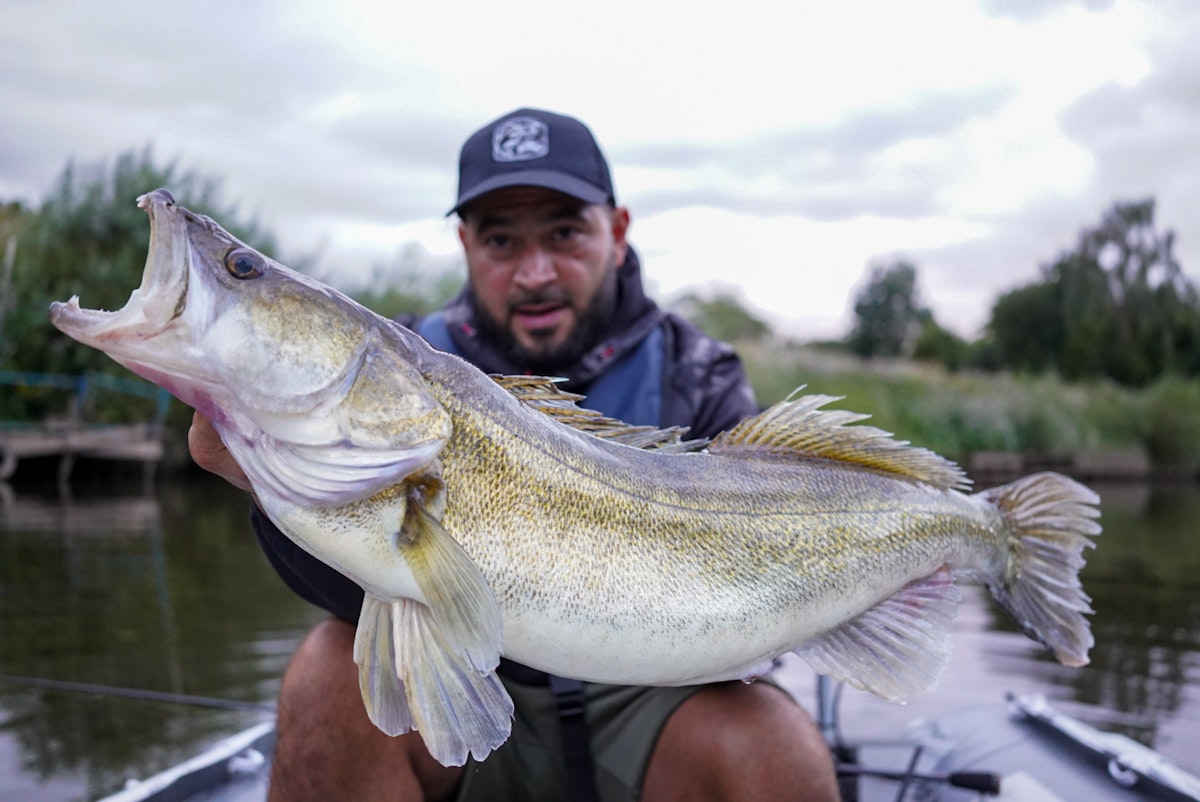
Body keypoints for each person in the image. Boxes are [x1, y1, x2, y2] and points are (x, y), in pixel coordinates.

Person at [189, 108, 840, 802]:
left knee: (776, 746)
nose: (534, 273)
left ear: (616, 233)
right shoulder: (398, 364)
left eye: (564, 233)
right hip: (467, 683)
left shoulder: (699, 373)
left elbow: (754, 597)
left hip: (650, 701)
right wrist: (274, 486)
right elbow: (352, 587)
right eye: (501, 240)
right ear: (466, 245)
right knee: (325, 675)